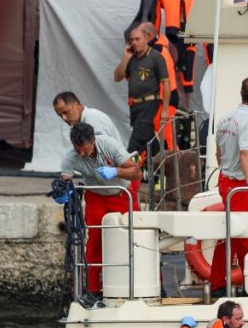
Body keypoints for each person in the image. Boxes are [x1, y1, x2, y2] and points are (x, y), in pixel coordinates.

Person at [209, 75, 248, 297]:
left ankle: (218, 282)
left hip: (225, 181)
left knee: (228, 235)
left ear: (241, 94)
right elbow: (246, 153)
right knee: (245, 235)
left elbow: (218, 154)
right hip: (240, 184)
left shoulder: (225, 119)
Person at [60, 122, 141, 294]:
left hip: (121, 195)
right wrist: (62, 193)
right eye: (78, 150)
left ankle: (144, 283)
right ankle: (93, 289)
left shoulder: (109, 145)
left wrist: (116, 171)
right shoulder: (70, 156)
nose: (81, 153)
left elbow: (136, 172)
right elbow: (64, 180)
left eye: (85, 149)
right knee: (95, 241)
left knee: (136, 237)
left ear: (93, 141)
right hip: (96, 197)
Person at [113, 24, 172, 156]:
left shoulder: (155, 57)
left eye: (137, 39)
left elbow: (166, 83)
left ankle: (128, 165)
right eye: (132, 40)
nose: (134, 42)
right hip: (135, 105)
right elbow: (117, 77)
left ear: (147, 38)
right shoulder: (131, 59)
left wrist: (165, 109)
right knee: (149, 139)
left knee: (136, 142)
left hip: (150, 103)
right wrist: (126, 58)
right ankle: (162, 165)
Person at [53, 91, 121, 142]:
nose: (64, 118)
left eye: (66, 112)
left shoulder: (93, 118)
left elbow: (102, 153)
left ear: (77, 104)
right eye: (60, 115)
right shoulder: (82, 122)